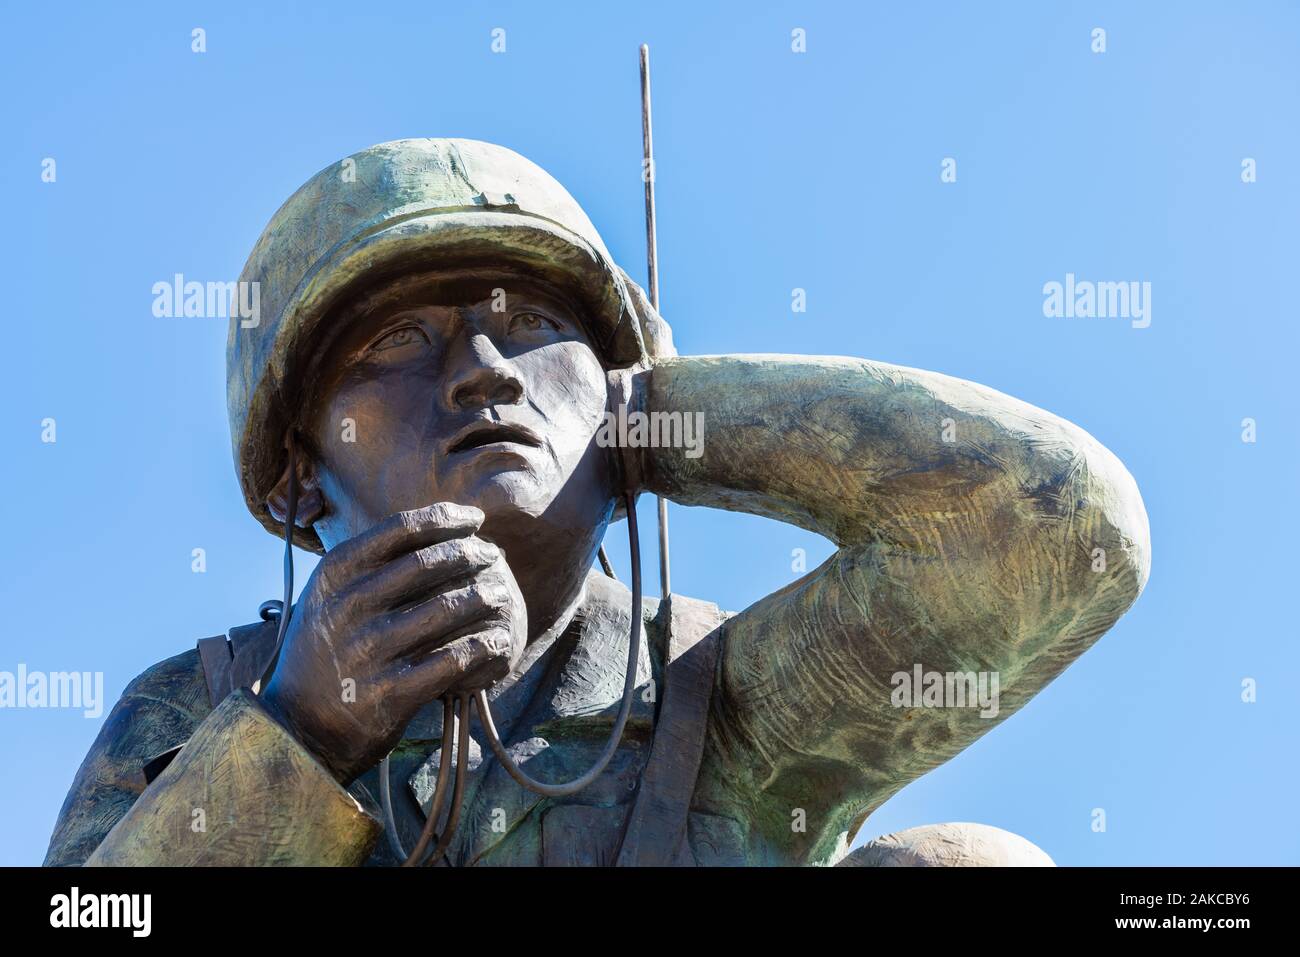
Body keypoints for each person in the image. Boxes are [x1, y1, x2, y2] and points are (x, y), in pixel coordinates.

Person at [44, 139, 1150, 867]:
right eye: (395, 342)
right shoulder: (196, 709)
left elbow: (1062, 535)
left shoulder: (713, 695)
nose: (484, 369)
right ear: (292, 474)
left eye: (532, 326)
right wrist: (298, 734)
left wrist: (673, 414)